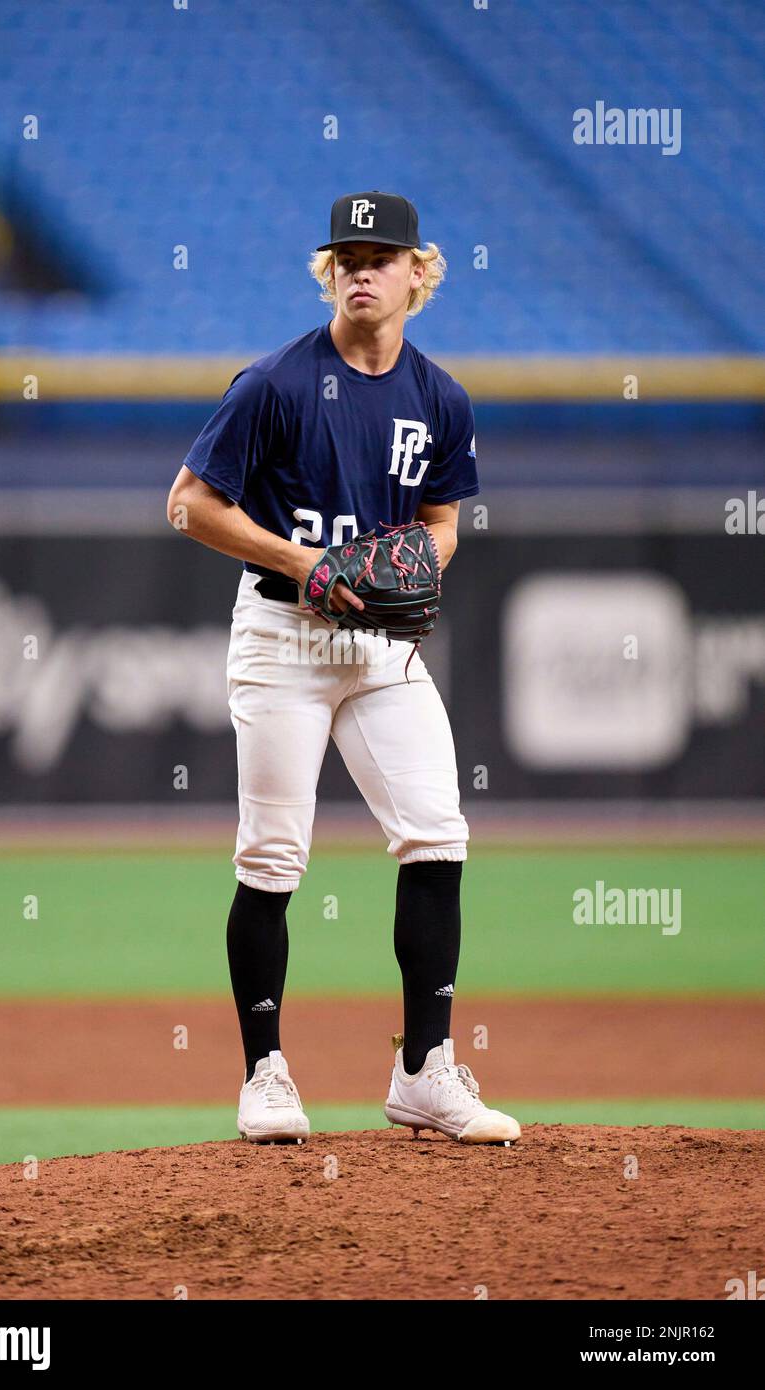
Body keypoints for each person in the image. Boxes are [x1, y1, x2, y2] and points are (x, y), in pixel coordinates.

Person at [167, 191, 520, 1146]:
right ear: (330, 273)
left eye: (382, 256)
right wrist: (304, 562)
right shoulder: (275, 383)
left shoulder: (439, 397)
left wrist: (418, 567)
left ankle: (425, 1070)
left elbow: (442, 526)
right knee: (273, 859)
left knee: (437, 832)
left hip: (378, 645)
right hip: (283, 635)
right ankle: (265, 1074)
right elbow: (189, 506)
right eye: (347, 256)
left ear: (419, 273)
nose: (362, 269)